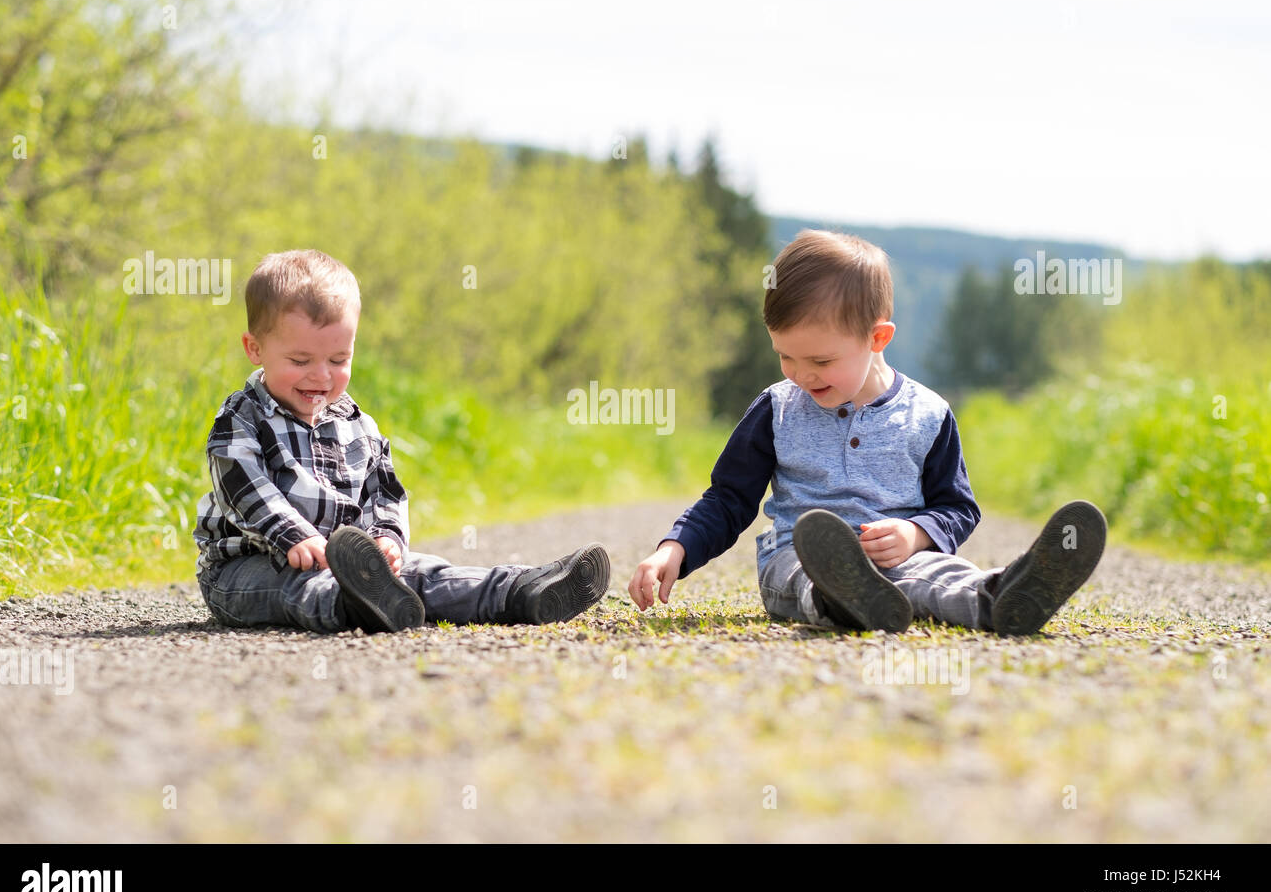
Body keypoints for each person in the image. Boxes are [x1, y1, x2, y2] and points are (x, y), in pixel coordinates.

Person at [628, 230, 1105, 636]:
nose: (799, 374)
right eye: (784, 355)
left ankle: (1004, 597)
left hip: (897, 561)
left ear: (877, 339)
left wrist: (915, 533)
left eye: (820, 361)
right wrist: (676, 547)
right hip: (797, 556)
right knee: (803, 577)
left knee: (940, 576)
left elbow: (957, 507)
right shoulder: (777, 409)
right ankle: (842, 600)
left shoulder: (928, 415)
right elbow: (728, 500)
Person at [193, 249, 610, 634]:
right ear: (255, 348)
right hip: (248, 568)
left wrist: (386, 537)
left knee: (424, 573)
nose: (321, 376)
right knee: (299, 587)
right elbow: (244, 487)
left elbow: (384, 490)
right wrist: (293, 536)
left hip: (351, 565)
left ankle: (519, 591)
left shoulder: (357, 424)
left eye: (339, 361)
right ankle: (355, 605)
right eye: (300, 361)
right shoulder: (242, 418)